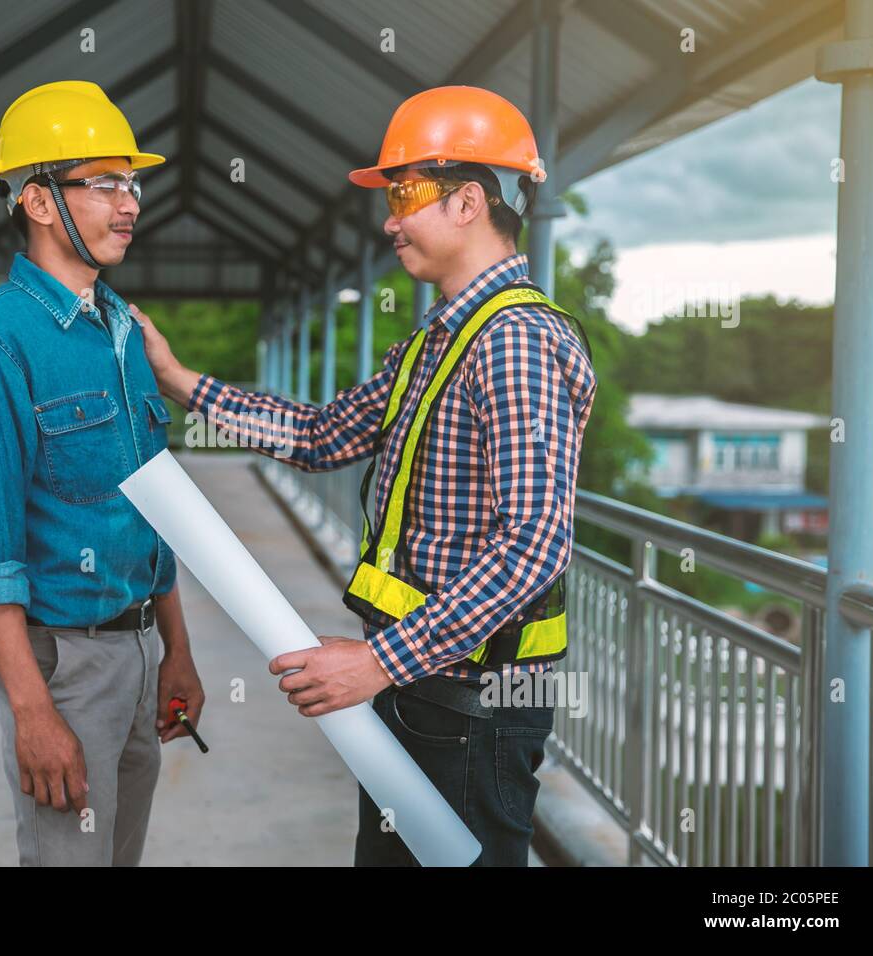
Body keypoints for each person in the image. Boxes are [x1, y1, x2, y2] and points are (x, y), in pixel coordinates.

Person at [135, 86, 596, 866]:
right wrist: (179, 379)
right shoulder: (438, 341)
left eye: (405, 192)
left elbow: (534, 547)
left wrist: (377, 662)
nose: (389, 218)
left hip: (471, 705)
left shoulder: (513, 342)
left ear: (469, 201)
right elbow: (319, 435)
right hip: (423, 690)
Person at [0, 80, 204, 866]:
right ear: (40, 201)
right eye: (105, 183)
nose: (130, 204)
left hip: (138, 647)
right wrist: (33, 710)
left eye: (134, 183)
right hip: (61, 663)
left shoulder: (122, 328)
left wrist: (176, 652)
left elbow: (150, 507)